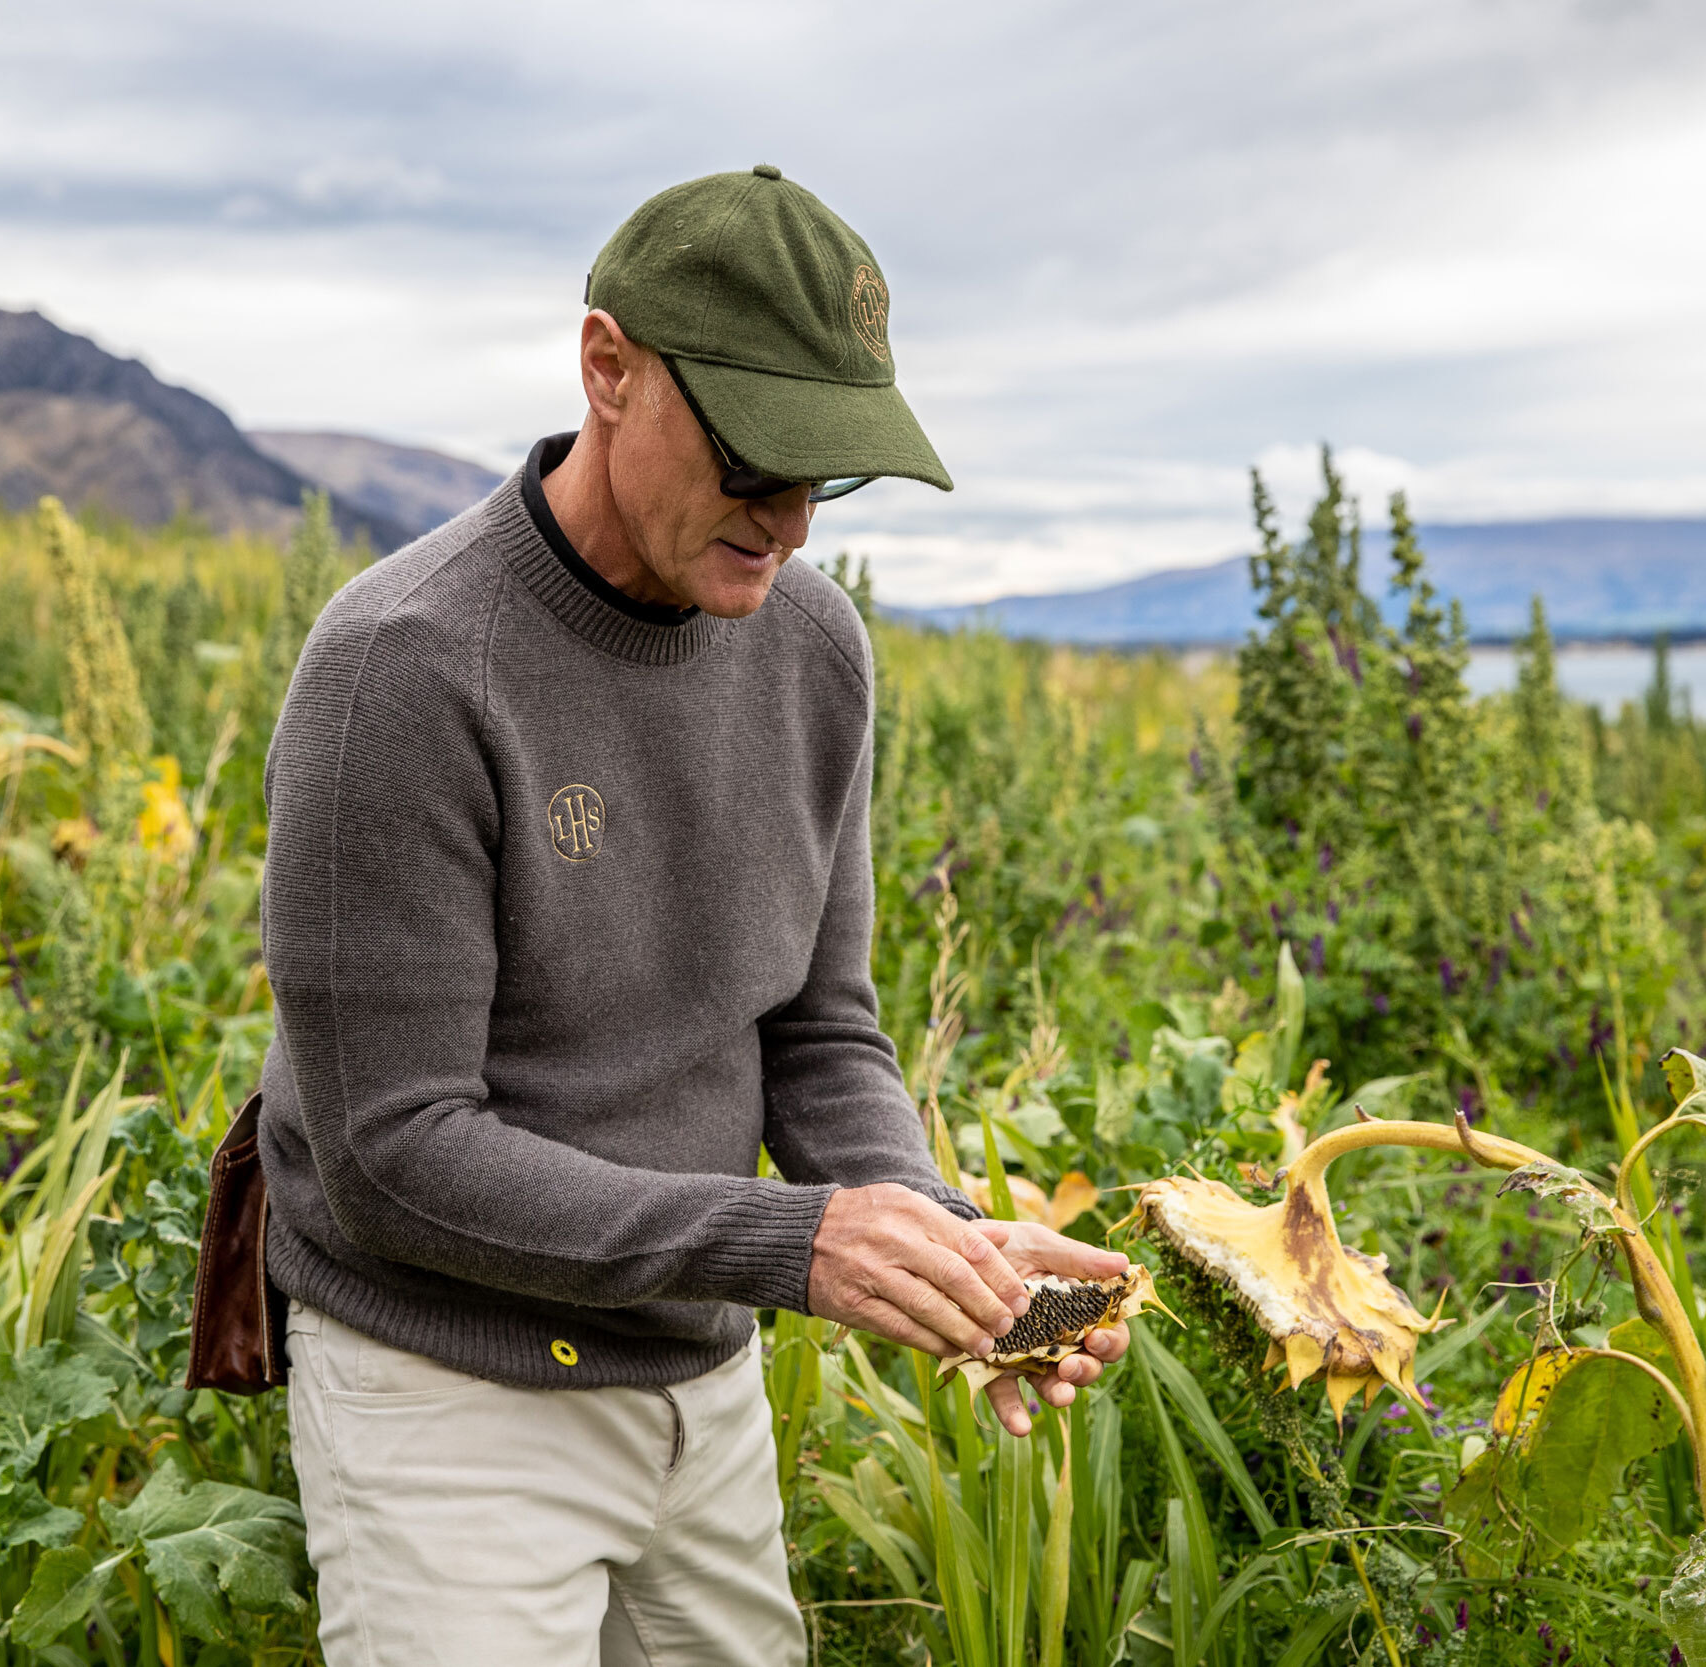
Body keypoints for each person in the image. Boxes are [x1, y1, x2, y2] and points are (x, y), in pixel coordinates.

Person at [255, 164, 1131, 1667]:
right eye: (755, 458)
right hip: (447, 1405)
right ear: (608, 369)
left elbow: (820, 1027)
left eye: (828, 475)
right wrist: (796, 1246)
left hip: (698, 1381)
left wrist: (941, 1248)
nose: (789, 521)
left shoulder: (813, 646)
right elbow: (394, 1157)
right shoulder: (404, 671)